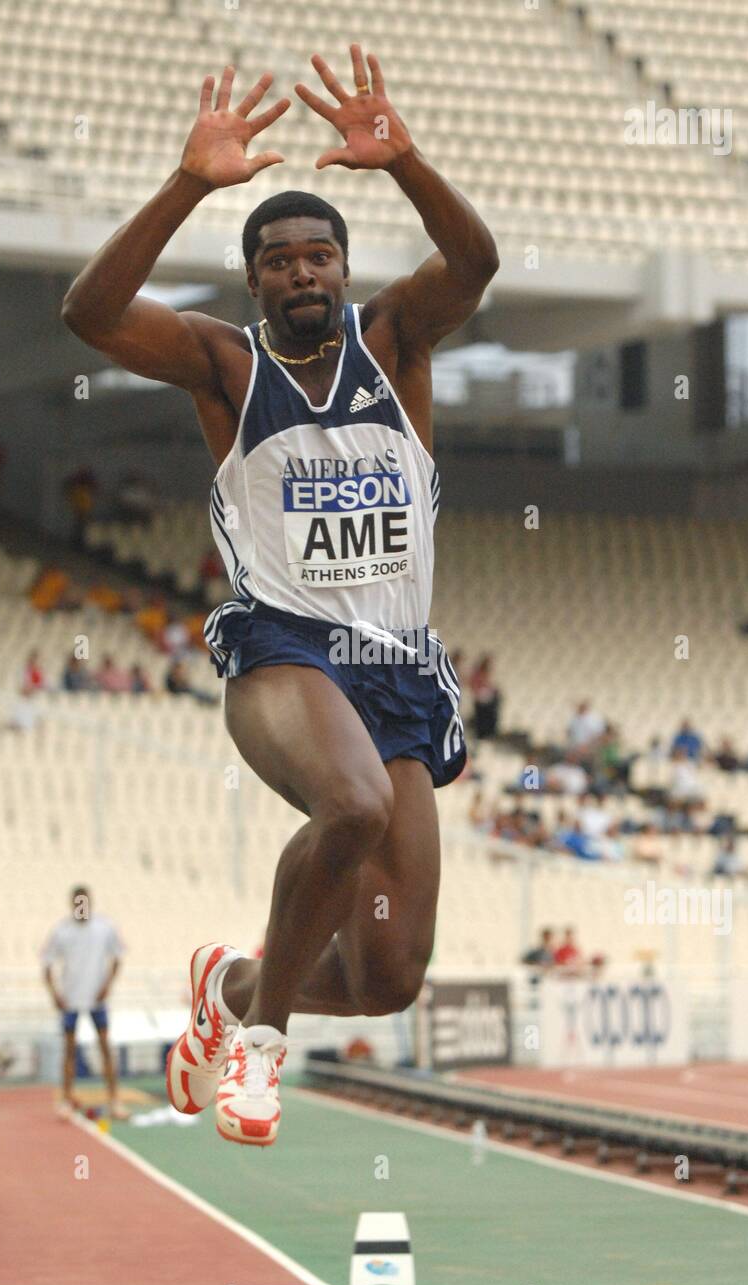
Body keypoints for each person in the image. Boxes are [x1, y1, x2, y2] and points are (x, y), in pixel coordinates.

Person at [62, 48, 497, 1147]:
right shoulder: (225, 366)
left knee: (390, 975)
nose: (304, 274)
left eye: (319, 257)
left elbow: (474, 260)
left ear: (342, 271)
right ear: (254, 281)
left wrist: (403, 160)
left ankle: (233, 987)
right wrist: (187, 187)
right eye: (281, 262)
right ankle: (261, 1051)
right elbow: (88, 312)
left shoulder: (395, 344)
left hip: (395, 669)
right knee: (349, 807)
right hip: (284, 649)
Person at [40, 886, 129, 1120]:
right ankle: (67, 1100)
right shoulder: (61, 931)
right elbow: (47, 965)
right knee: (69, 1050)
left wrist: (107, 986)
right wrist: (55, 995)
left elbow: (118, 957)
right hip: (71, 999)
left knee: (105, 1048)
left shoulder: (104, 928)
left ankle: (114, 1100)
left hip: (96, 999)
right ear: (72, 904)